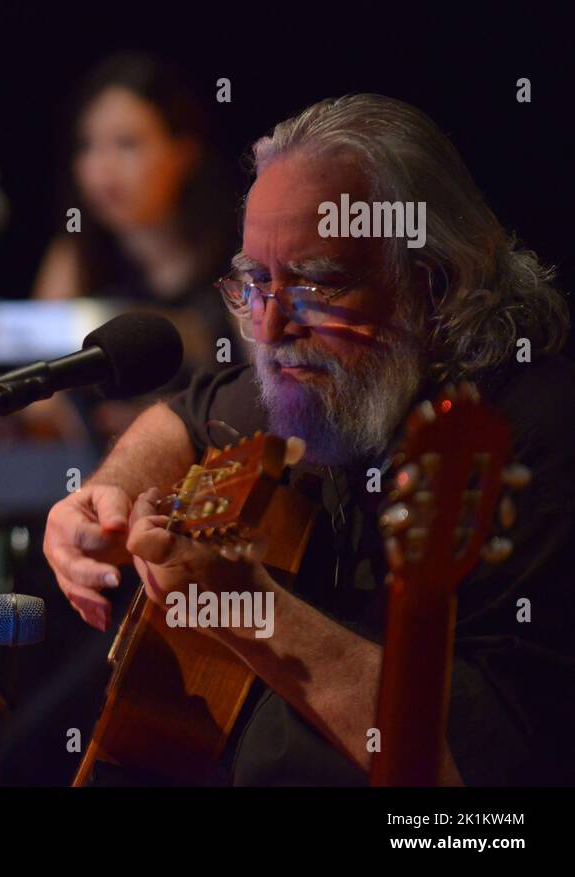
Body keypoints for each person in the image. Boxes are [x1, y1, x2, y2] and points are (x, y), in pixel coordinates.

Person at [43, 93, 575, 785]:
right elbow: (187, 414)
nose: (266, 328)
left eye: (317, 286)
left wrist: (249, 610)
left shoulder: (537, 435)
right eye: (254, 281)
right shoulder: (328, 378)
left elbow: (480, 772)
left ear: (433, 287)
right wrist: (106, 494)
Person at [27, 54, 238, 443]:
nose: (102, 169)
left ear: (183, 151)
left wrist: (165, 424)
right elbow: (42, 401)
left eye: (127, 144)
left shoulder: (238, 254)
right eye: (87, 146)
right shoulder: (74, 258)